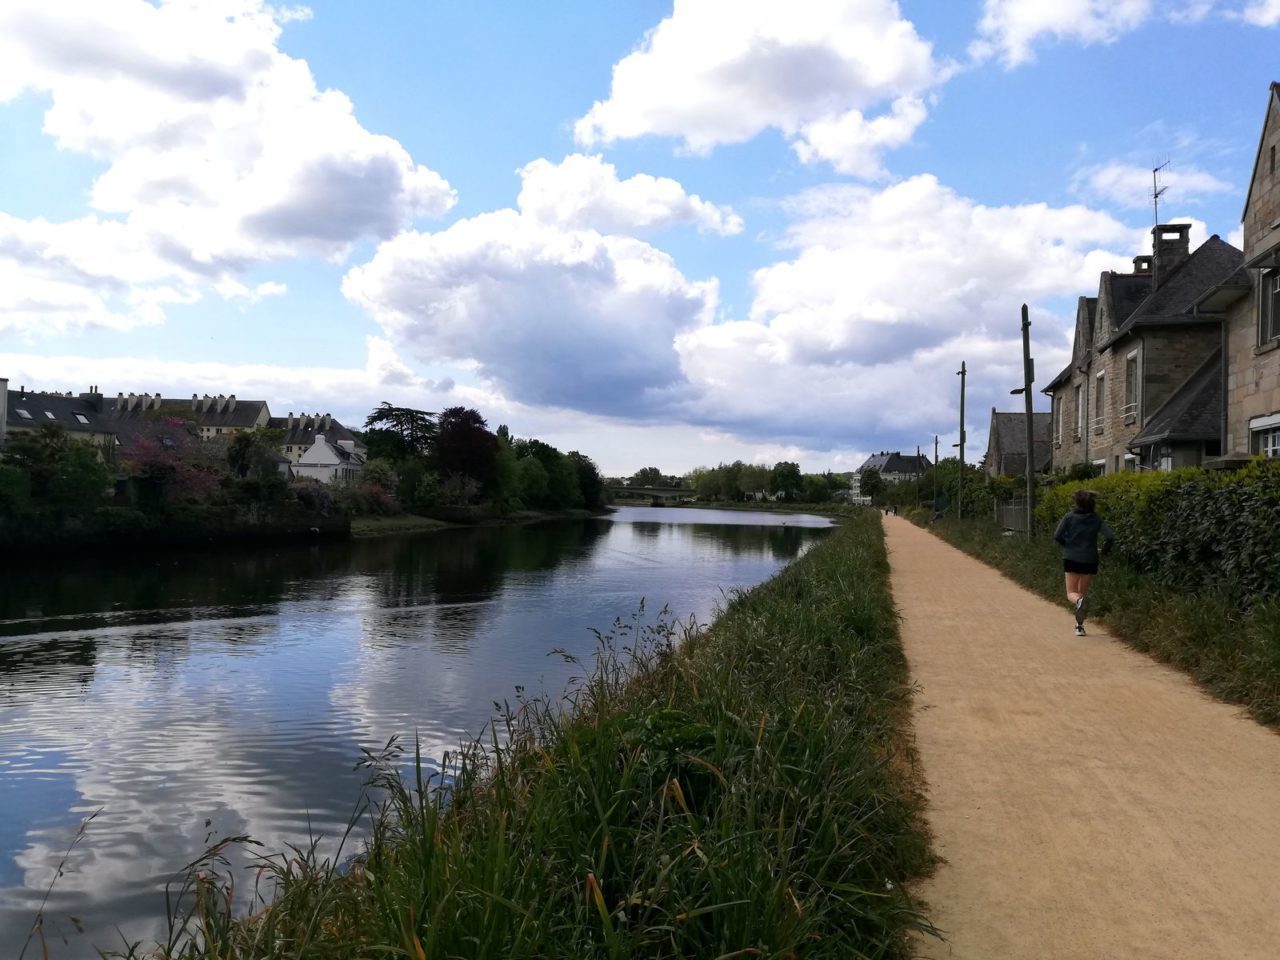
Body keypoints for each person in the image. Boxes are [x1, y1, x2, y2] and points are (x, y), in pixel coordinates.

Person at [1053, 489, 1114, 636]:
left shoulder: (1069, 517)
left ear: (1077, 503)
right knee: (1081, 594)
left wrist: (1067, 544)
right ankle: (1079, 627)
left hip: (1071, 557)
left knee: (1071, 594)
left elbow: (1057, 536)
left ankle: (1079, 612)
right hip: (1090, 559)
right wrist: (1104, 551)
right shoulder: (1097, 519)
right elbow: (1110, 537)